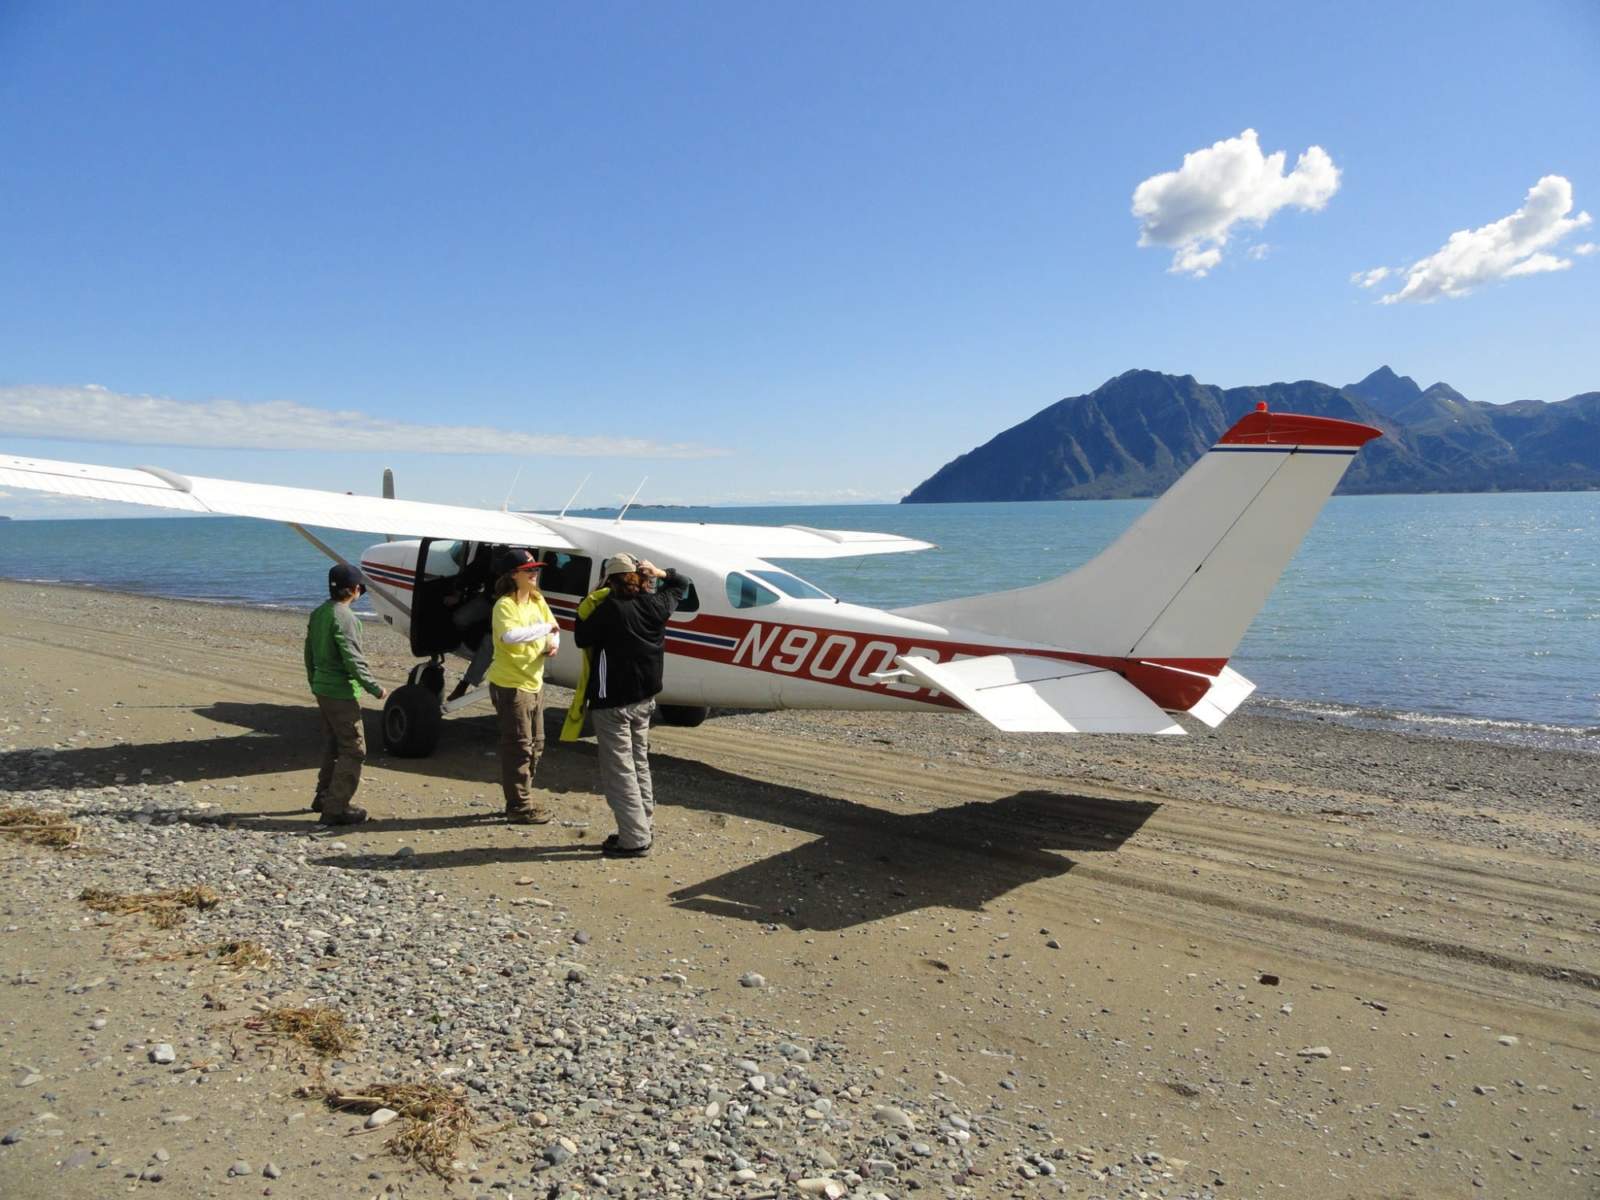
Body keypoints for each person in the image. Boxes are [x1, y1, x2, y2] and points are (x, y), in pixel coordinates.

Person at [572, 552, 692, 857]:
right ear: (641, 577)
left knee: (619, 769)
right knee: (639, 761)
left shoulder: (607, 608)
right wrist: (659, 573)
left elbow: (581, 635)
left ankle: (634, 838)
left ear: (608, 579)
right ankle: (643, 824)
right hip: (645, 699)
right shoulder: (657, 604)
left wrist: (594, 596)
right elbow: (682, 582)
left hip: (612, 701)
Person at [304, 562, 387, 826]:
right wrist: (375, 688)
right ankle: (336, 808)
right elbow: (352, 657)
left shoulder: (319, 613)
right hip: (339, 691)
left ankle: (323, 796)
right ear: (353, 590)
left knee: (334, 744)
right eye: (360, 587)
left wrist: (314, 680)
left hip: (322, 687)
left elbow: (309, 653)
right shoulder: (345, 617)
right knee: (354, 749)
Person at [487, 549, 560, 824]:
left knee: (537, 744)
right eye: (529, 570)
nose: (534, 574)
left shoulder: (537, 600)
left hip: (534, 681)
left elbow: (555, 628)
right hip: (510, 684)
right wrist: (545, 632)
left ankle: (522, 797)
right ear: (513, 575)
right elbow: (509, 636)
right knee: (519, 747)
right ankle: (518, 807)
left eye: (536, 570)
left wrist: (553, 644)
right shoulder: (504, 606)